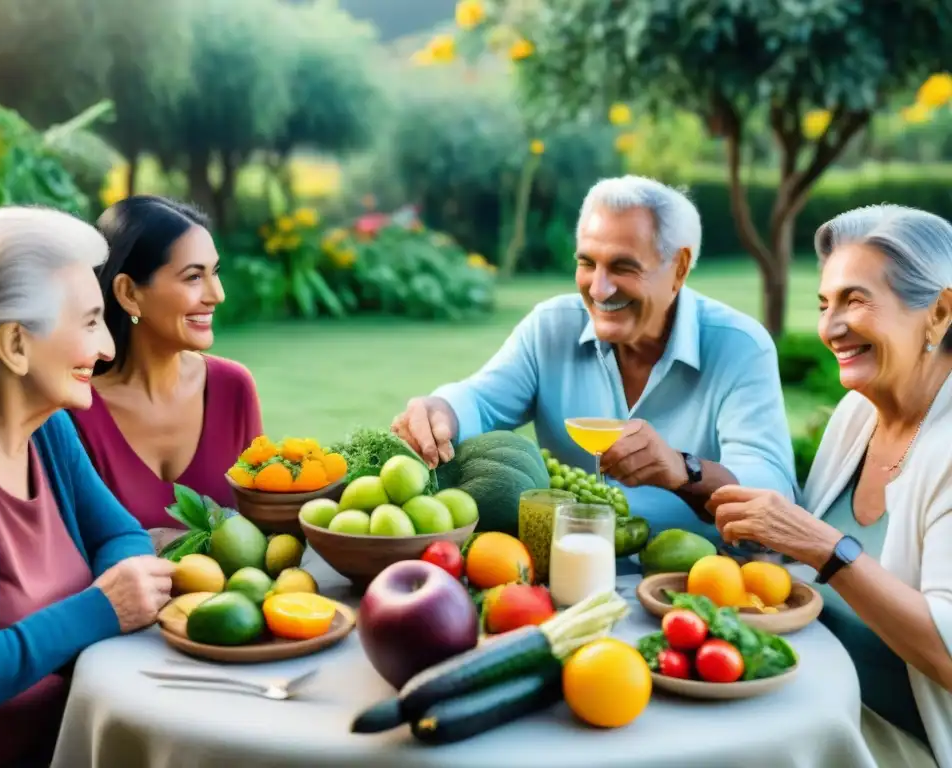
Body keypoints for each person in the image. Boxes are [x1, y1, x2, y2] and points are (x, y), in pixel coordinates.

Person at [392, 175, 797, 551]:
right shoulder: (551, 327)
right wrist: (439, 410)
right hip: (565, 574)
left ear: (679, 268)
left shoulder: (739, 346)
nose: (599, 289)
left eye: (623, 267)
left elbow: (772, 490)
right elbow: (479, 402)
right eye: (587, 263)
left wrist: (682, 470)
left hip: (695, 583)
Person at [0, 207, 174, 768]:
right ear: (16, 344)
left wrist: (120, 591)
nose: (109, 348)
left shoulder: (46, 424)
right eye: (89, 322)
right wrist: (97, 611)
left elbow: (121, 534)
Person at [708, 205, 952, 767]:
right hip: (814, 702)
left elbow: (945, 652)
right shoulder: (856, 414)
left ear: (938, 312)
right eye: (824, 304)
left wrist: (823, 545)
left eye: (856, 300)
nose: (830, 328)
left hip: (901, 743)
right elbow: (803, 565)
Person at [70, 196, 263, 551]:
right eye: (193, 277)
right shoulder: (72, 408)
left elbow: (262, 525)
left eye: (215, 272)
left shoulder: (233, 388)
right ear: (129, 293)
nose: (216, 295)